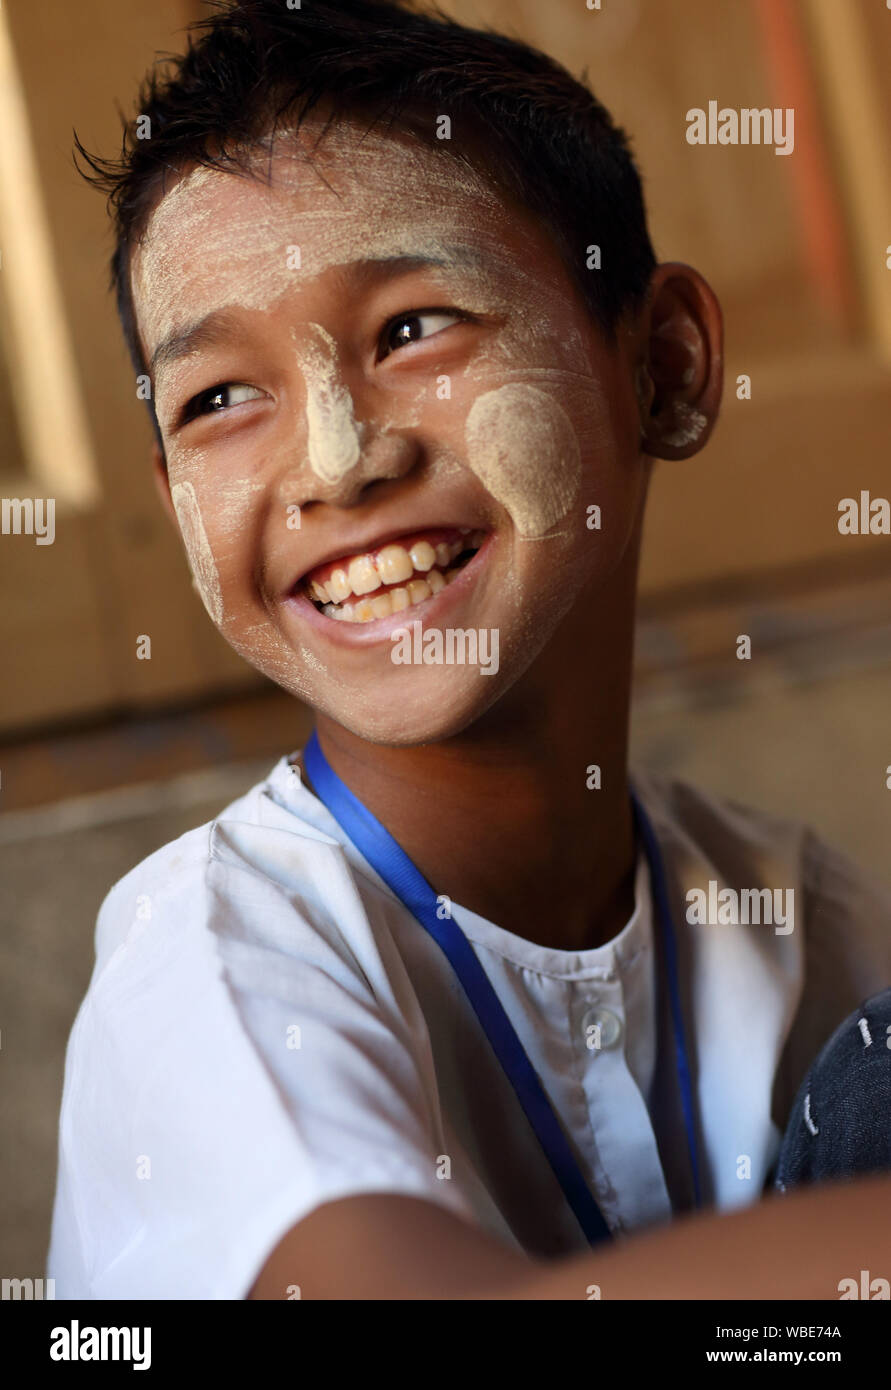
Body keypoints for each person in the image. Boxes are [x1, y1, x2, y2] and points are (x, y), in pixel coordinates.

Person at [48, 0, 891, 1299]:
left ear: (661, 363)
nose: (336, 457)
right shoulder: (212, 961)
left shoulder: (795, 915)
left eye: (414, 327)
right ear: (171, 504)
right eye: (221, 399)